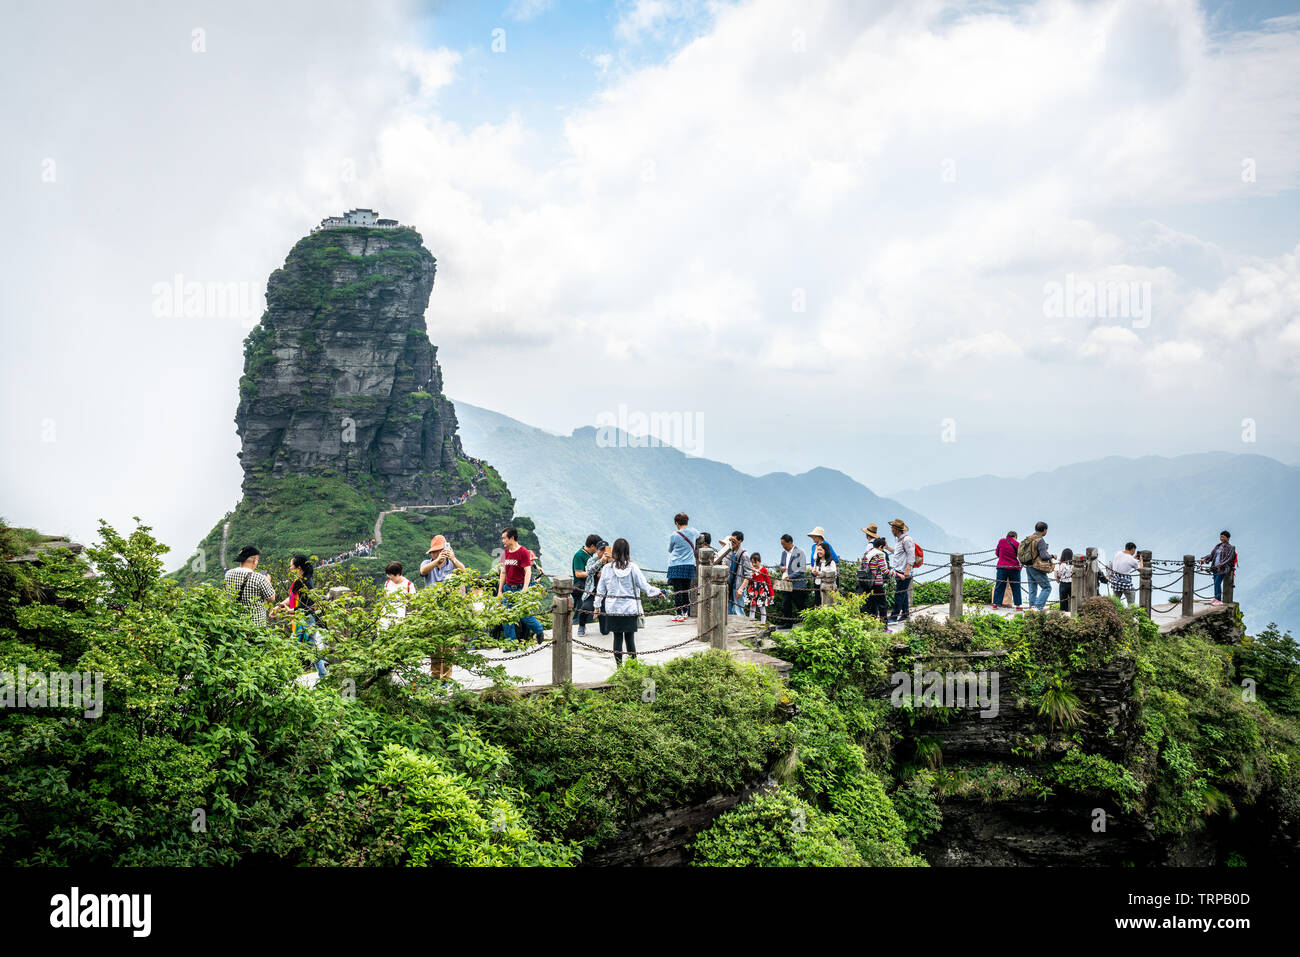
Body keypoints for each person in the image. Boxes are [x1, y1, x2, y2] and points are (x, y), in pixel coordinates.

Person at [594, 538, 664, 666]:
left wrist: (597, 606)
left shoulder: (607, 569)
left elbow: (601, 590)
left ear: (613, 551)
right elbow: (644, 586)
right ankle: (633, 667)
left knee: (617, 638)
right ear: (627, 551)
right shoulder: (633, 568)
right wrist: (658, 592)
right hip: (629, 609)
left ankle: (620, 668)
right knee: (630, 639)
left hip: (613, 609)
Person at [498, 527, 544, 643]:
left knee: (524, 615)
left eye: (504, 538)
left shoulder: (523, 552)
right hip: (508, 589)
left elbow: (527, 571)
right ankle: (511, 643)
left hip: (519, 588)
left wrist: (524, 589)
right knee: (506, 616)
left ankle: (539, 630)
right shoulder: (505, 553)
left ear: (512, 538)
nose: (502, 541)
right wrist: (500, 591)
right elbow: (503, 572)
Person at [224, 545, 276, 626]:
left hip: (234, 623)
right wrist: (268, 581)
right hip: (255, 625)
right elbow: (271, 598)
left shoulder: (228, 574)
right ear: (255, 560)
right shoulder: (259, 578)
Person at [666, 513, 699, 623]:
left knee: (677, 590)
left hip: (676, 565)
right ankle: (685, 612)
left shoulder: (674, 535)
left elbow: (670, 549)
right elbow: (699, 536)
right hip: (689, 564)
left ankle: (678, 614)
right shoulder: (693, 532)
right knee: (685, 589)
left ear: (676, 523)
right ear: (687, 522)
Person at [1019, 521, 1056, 611]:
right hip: (1037, 567)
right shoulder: (1040, 540)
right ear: (1044, 530)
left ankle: (1032, 607)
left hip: (1028, 565)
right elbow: (1043, 556)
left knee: (1032, 588)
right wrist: (1052, 556)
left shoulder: (1029, 538)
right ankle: (1037, 607)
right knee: (1047, 587)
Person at [713, 531, 751, 617]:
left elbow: (748, 575)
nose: (731, 542)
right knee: (728, 611)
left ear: (740, 541)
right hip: (729, 585)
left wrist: (741, 589)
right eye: (731, 540)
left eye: (734, 541)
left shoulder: (744, 555)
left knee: (739, 611)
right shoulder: (730, 552)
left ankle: (742, 629)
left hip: (737, 587)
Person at [572, 534, 603, 633]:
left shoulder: (591, 556)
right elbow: (578, 573)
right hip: (582, 588)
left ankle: (586, 629)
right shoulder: (579, 555)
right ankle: (577, 631)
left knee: (590, 611)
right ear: (593, 546)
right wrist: (592, 573)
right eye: (597, 547)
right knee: (581, 611)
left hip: (592, 587)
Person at [579, 540, 611, 637]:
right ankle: (581, 625)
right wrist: (601, 562)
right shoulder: (592, 560)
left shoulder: (612, 562)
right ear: (597, 550)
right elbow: (589, 571)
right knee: (585, 608)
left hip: (606, 595)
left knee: (605, 632)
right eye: (601, 550)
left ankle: (608, 624)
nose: (603, 552)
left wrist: (612, 561)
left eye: (605, 550)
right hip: (592, 593)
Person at [887, 519, 916, 623]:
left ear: (896, 529)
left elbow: (911, 555)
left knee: (899, 594)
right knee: (903, 593)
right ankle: (905, 614)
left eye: (892, 528)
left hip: (904, 571)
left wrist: (908, 569)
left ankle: (894, 617)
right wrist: (887, 547)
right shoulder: (899, 540)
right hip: (899, 570)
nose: (891, 530)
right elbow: (898, 553)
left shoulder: (907, 540)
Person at [776, 533, 808, 629]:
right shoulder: (783, 553)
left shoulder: (800, 552)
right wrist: (782, 568)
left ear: (789, 542)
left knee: (800, 604)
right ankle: (788, 623)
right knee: (786, 603)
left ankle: (809, 621)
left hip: (797, 583)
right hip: (785, 582)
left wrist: (791, 576)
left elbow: (802, 568)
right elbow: (781, 564)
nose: (782, 546)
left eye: (783, 544)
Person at [1200, 531, 1237, 605]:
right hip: (1215, 567)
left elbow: (1229, 558)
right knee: (1215, 583)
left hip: (1223, 568)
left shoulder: (1230, 548)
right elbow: (1212, 555)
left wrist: (1220, 565)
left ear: (1228, 538)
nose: (1221, 538)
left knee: (1217, 583)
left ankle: (1219, 600)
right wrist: (1204, 558)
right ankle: (1216, 598)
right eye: (1221, 536)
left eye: (1223, 537)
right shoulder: (1218, 546)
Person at [992, 531, 1024, 611]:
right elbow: (1020, 556)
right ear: (1015, 537)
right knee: (1016, 586)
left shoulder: (1001, 541)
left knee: (999, 585)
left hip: (1002, 567)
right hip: (1014, 568)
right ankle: (1018, 605)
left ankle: (996, 604)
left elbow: (997, 553)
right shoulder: (1017, 544)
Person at [861, 536, 889, 623]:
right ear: (881, 546)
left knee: (868, 604)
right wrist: (898, 574)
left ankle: (868, 624)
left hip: (867, 582)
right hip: (877, 583)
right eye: (883, 548)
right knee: (882, 605)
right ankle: (883, 626)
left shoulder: (867, 553)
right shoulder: (880, 554)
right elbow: (884, 571)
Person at [381, 561, 416, 630]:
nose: (390, 577)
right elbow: (384, 600)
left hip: (400, 619)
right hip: (385, 617)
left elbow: (413, 603)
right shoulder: (387, 583)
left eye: (391, 575)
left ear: (398, 574)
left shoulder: (408, 585)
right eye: (388, 575)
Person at [745, 553, 774, 624]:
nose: (753, 564)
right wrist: (751, 575)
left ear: (759, 561)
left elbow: (768, 582)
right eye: (752, 562)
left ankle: (763, 623)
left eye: (755, 562)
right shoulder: (751, 570)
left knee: (762, 608)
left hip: (762, 591)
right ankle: (751, 623)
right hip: (753, 590)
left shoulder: (764, 570)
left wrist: (771, 593)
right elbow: (749, 582)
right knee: (752, 608)